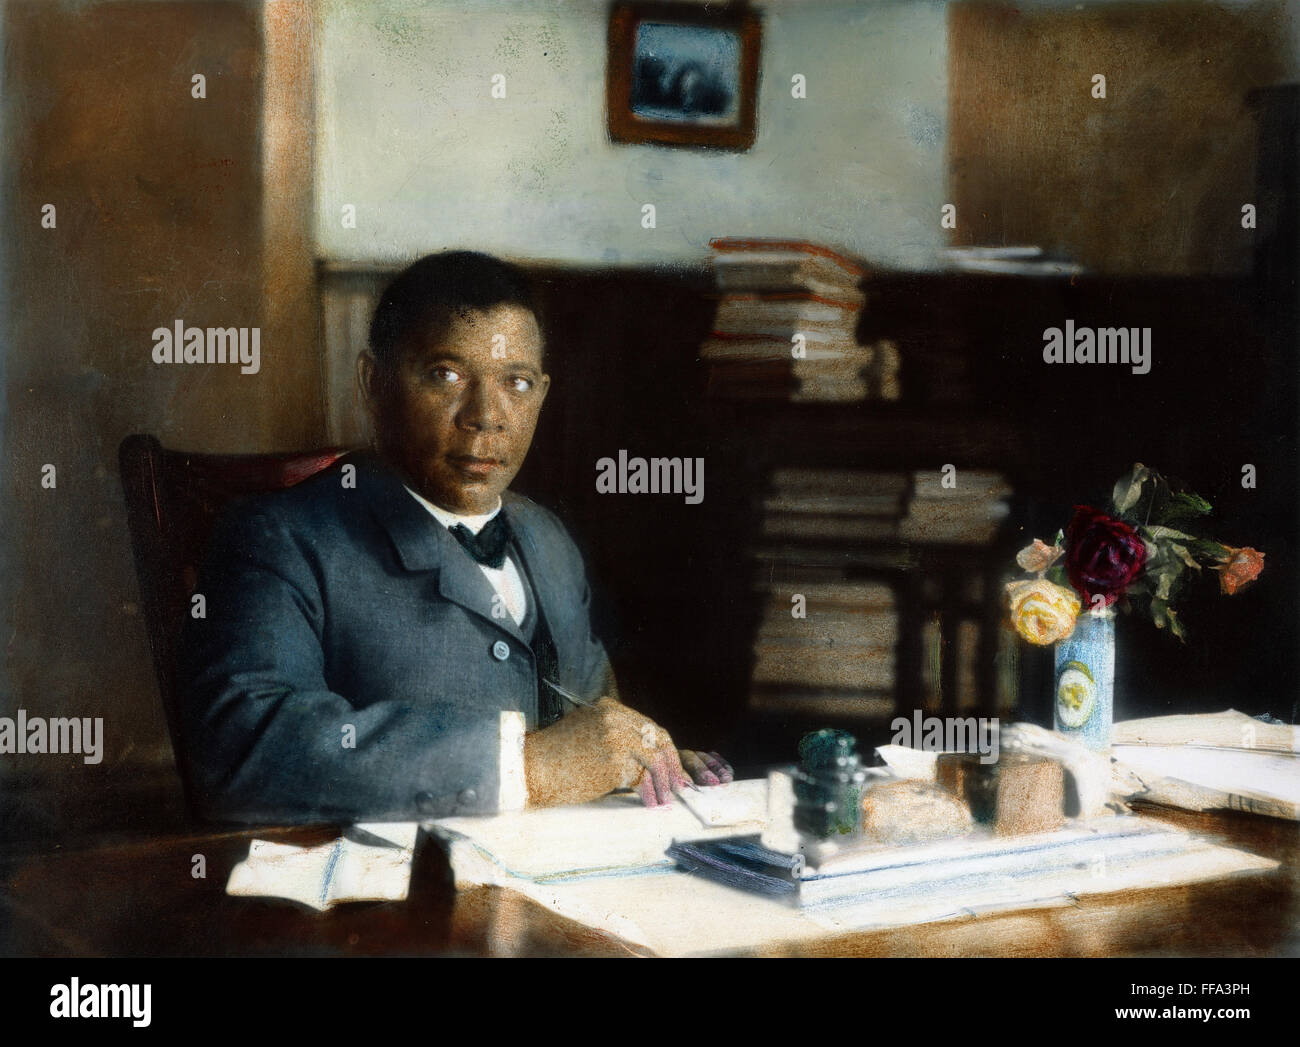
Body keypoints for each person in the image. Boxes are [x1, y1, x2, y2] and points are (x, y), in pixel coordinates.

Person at [179, 251, 731, 823]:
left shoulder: (547, 537)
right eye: (446, 375)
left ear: (542, 394)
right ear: (374, 383)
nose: (486, 416)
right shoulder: (279, 538)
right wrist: (527, 768)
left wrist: (643, 763)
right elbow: (241, 754)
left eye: (516, 382)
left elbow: (593, 714)